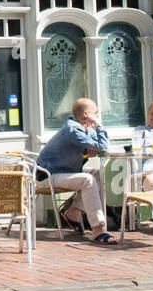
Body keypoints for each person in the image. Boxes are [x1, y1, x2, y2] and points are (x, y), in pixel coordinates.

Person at [34, 97, 119, 245]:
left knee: (97, 174)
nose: (98, 116)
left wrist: (87, 151)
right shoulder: (73, 129)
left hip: (62, 172)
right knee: (87, 179)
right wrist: (99, 125)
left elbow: (100, 145)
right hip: (45, 176)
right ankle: (98, 230)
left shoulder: (84, 128)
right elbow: (103, 147)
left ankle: (73, 211)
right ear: (87, 115)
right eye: (96, 113)